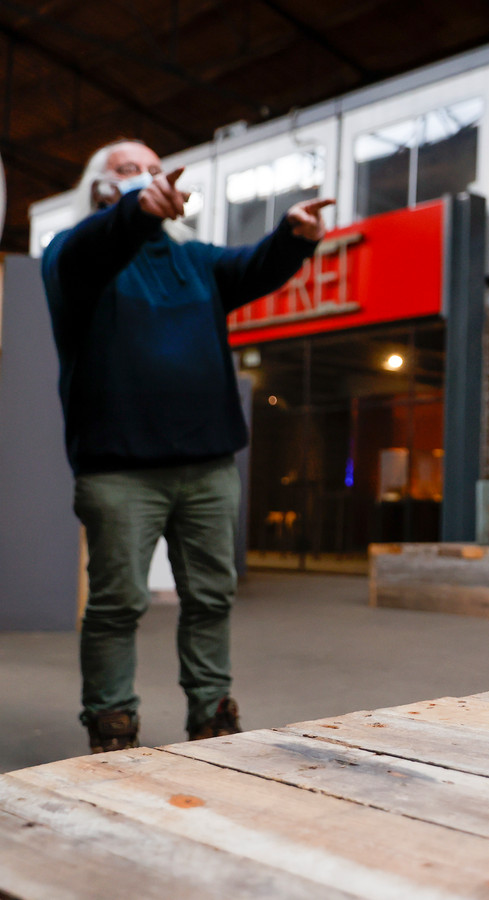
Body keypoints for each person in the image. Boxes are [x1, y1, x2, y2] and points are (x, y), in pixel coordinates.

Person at [42, 139, 332, 753]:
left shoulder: (194, 262)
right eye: (129, 170)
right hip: (120, 471)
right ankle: (112, 723)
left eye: (153, 170)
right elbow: (98, 247)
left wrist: (292, 237)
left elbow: (253, 267)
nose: (147, 177)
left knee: (210, 597)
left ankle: (211, 719)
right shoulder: (75, 257)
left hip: (208, 466)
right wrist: (133, 214)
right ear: (100, 187)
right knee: (118, 603)